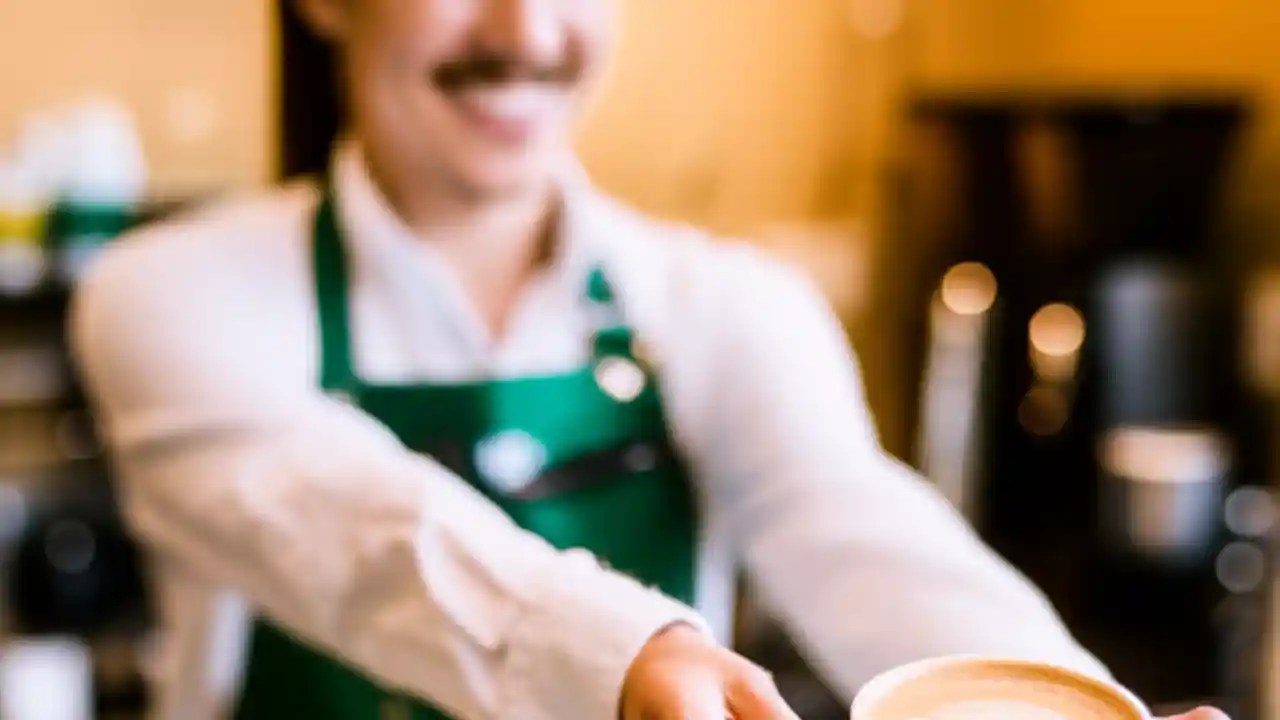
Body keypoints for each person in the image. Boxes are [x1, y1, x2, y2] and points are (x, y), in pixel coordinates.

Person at [69, 1, 1229, 719]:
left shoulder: (724, 302)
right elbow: (342, 525)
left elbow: (851, 527)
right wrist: (619, 652)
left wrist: (1064, 710)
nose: (525, 31)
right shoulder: (171, 293)